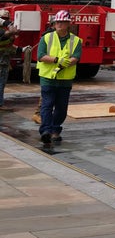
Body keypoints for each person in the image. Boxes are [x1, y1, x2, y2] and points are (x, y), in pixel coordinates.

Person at [37, 10, 83, 150]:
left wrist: (68, 62)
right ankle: (46, 131)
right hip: (48, 78)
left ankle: (55, 129)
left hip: (65, 79)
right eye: (57, 22)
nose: (59, 24)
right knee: (47, 104)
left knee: (61, 108)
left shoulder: (76, 40)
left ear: (68, 24)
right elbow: (41, 56)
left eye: (62, 22)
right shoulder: (46, 38)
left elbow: (76, 57)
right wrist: (57, 60)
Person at [0, 8, 17, 111]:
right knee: (1, 82)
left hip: (4, 60)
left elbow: (9, 46)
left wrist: (21, 49)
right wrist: (11, 28)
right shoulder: (3, 31)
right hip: (1, 61)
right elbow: (5, 36)